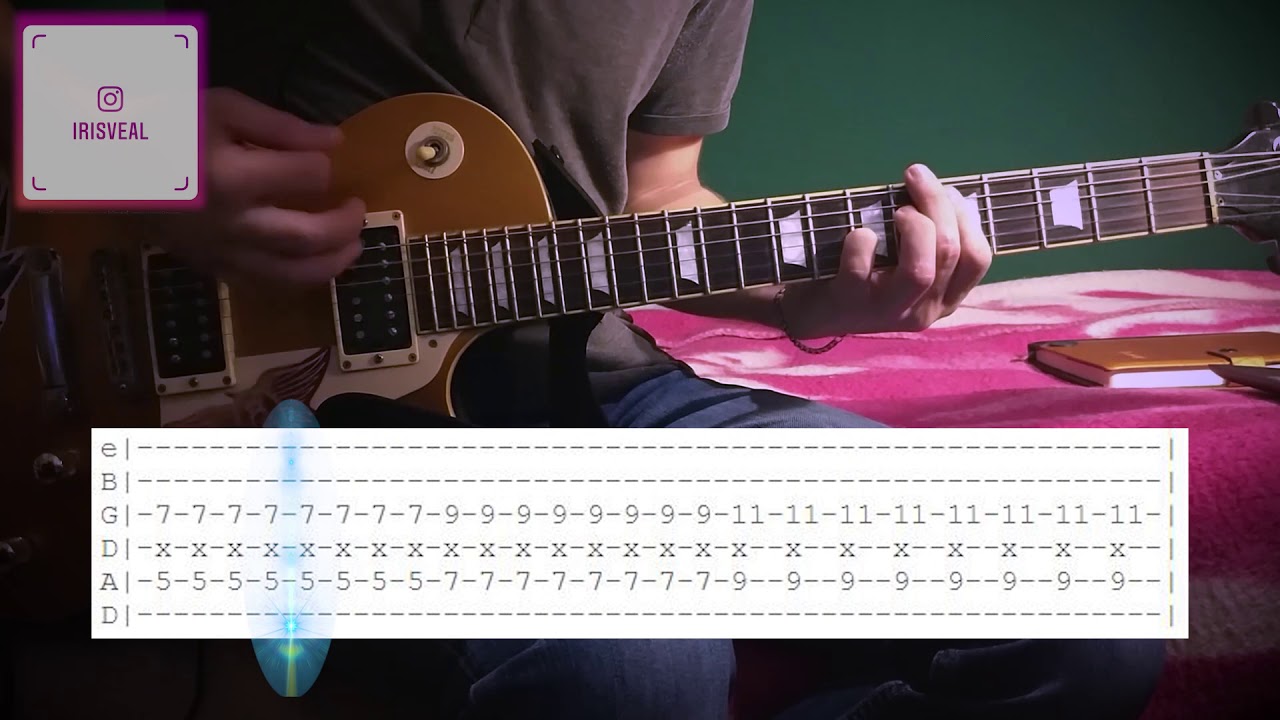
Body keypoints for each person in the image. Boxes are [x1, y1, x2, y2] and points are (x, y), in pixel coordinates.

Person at [6, 1, 1166, 718]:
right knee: (630, 666)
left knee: (1077, 597)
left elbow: (655, 195)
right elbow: (36, 74)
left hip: (588, 379)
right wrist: (142, 155)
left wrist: (812, 295)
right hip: (250, 407)